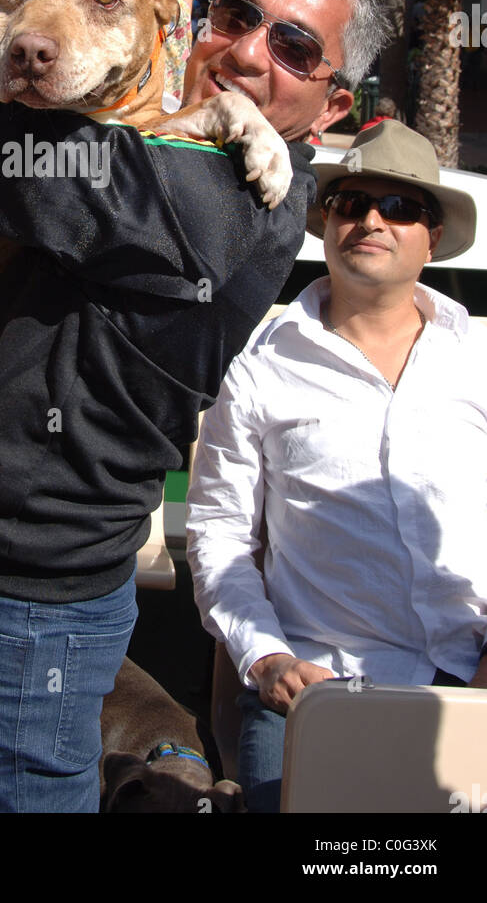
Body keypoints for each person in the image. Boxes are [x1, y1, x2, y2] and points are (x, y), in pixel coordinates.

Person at [0, 0, 388, 813]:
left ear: (330, 106)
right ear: (194, 19)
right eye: (236, 15)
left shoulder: (213, 196)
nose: (249, 51)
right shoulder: (171, 143)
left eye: (294, 47)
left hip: (19, 596)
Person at [186, 119, 486, 813]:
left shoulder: (475, 361)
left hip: (467, 689)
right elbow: (218, 534)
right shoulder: (258, 365)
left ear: (431, 236)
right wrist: (266, 659)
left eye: (400, 208)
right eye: (351, 203)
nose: (371, 220)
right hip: (312, 698)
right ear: (326, 224)